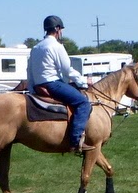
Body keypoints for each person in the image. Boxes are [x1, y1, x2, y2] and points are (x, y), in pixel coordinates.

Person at [27, 15, 94, 155]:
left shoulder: (36, 47)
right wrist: (83, 82)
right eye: (61, 29)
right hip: (53, 84)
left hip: (38, 85)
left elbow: (29, 70)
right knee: (83, 103)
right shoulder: (56, 46)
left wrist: (32, 88)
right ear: (57, 29)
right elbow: (67, 70)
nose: (61, 32)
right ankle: (76, 141)